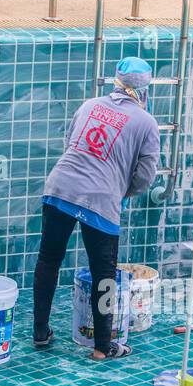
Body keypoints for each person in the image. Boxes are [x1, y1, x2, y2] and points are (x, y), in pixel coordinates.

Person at [32, 56, 161, 360]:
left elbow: (70, 143)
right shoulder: (146, 122)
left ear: (116, 81)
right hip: (102, 198)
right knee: (103, 272)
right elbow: (146, 175)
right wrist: (123, 192)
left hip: (60, 186)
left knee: (48, 259)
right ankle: (103, 347)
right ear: (146, 89)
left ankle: (40, 332)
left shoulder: (89, 105)